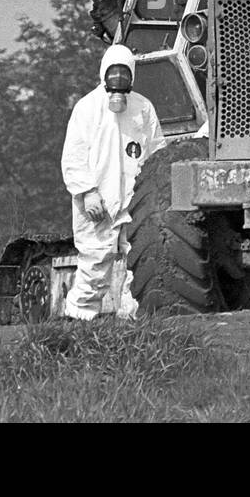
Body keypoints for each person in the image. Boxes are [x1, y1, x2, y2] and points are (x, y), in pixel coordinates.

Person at [61, 44, 165, 320]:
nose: (118, 79)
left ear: (132, 74)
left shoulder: (143, 108)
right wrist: (86, 192)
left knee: (142, 263)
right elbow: (73, 155)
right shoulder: (87, 108)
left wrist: (154, 194)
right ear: (103, 73)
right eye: (113, 73)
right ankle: (78, 319)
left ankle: (132, 322)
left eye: (124, 73)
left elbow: (157, 152)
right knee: (95, 264)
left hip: (136, 202)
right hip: (99, 202)